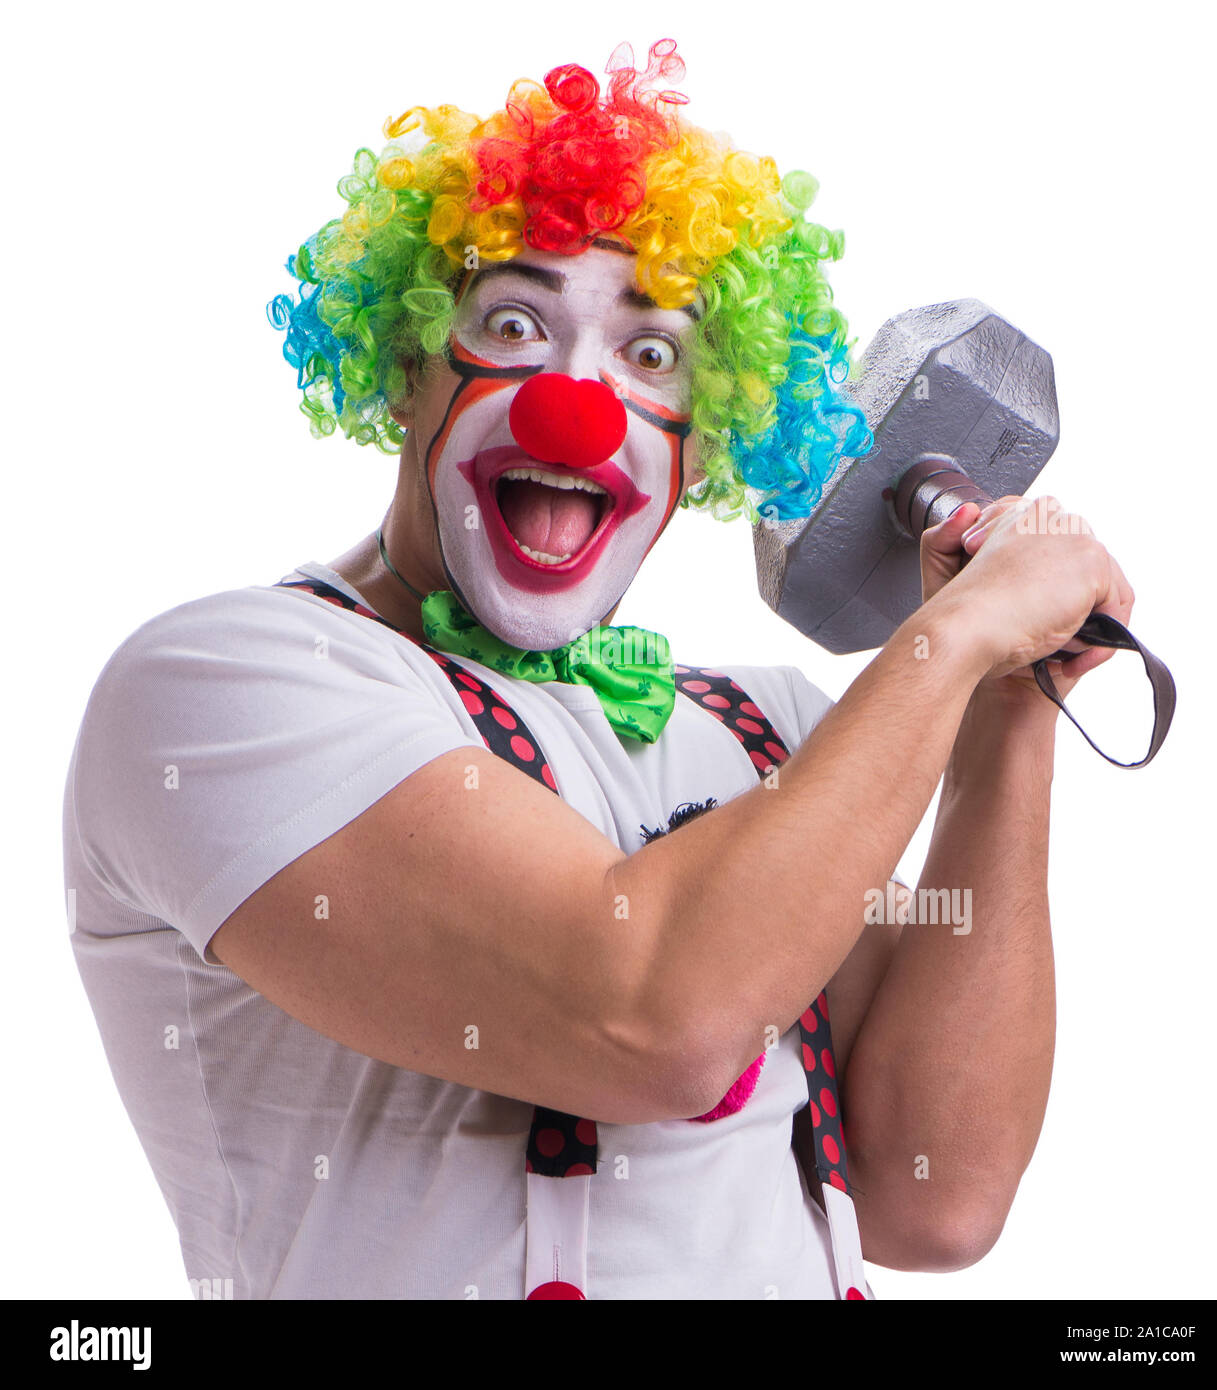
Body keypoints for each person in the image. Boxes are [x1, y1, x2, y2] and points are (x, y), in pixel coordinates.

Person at [62, 40, 1134, 1300]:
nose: (580, 400)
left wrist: (1010, 696)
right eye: (513, 322)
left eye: (653, 357)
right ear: (406, 367)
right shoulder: (222, 685)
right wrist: (945, 642)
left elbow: (934, 1191)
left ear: (706, 432)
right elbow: (650, 1016)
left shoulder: (770, 732)